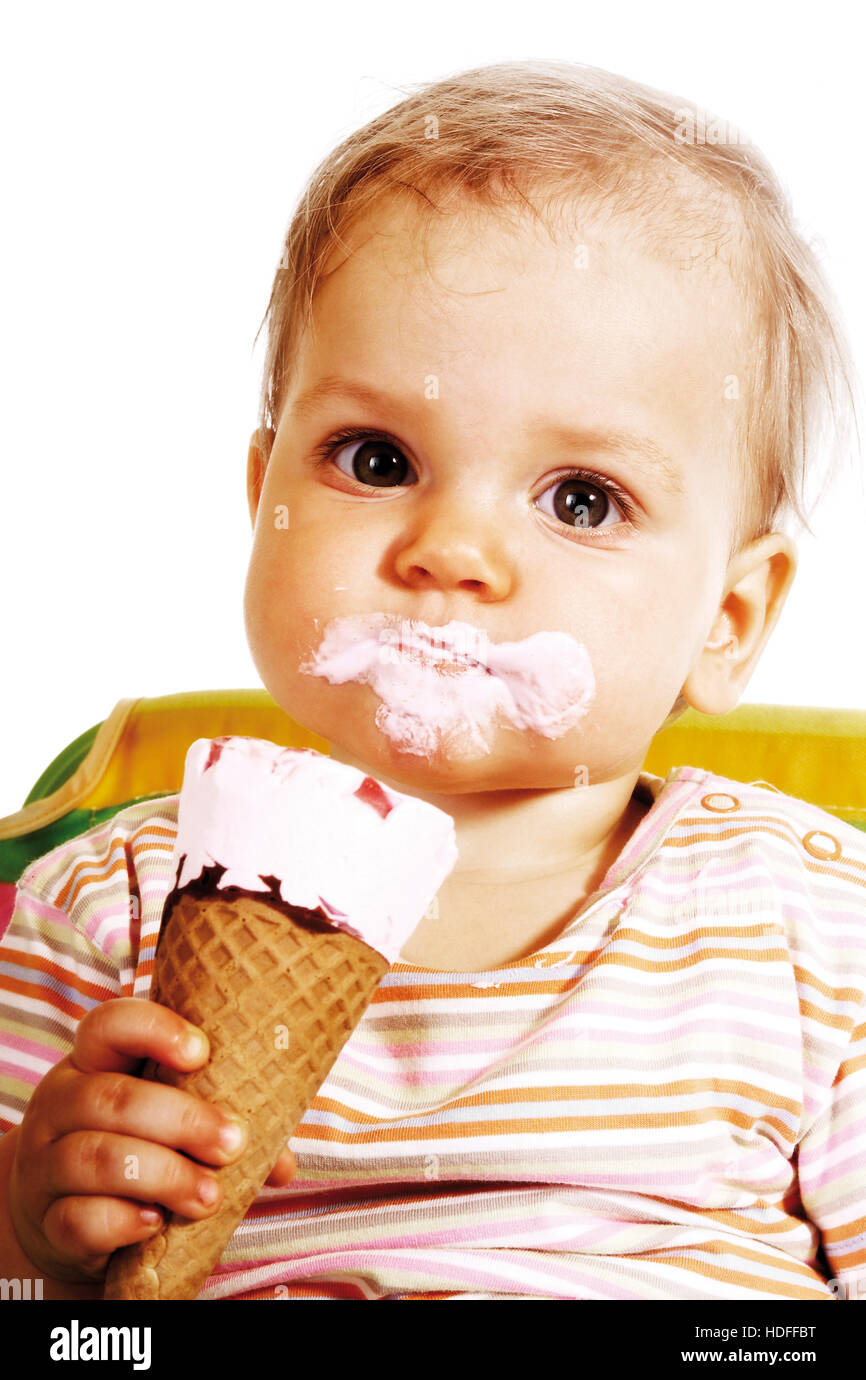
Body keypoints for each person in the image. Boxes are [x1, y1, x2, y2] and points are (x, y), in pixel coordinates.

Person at [1, 58, 864, 1301]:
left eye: (581, 498)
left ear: (725, 618)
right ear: (265, 505)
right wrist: (38, 1226)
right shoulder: (107, 903)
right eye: (375, 458)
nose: (449, 550)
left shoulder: (810, 921)